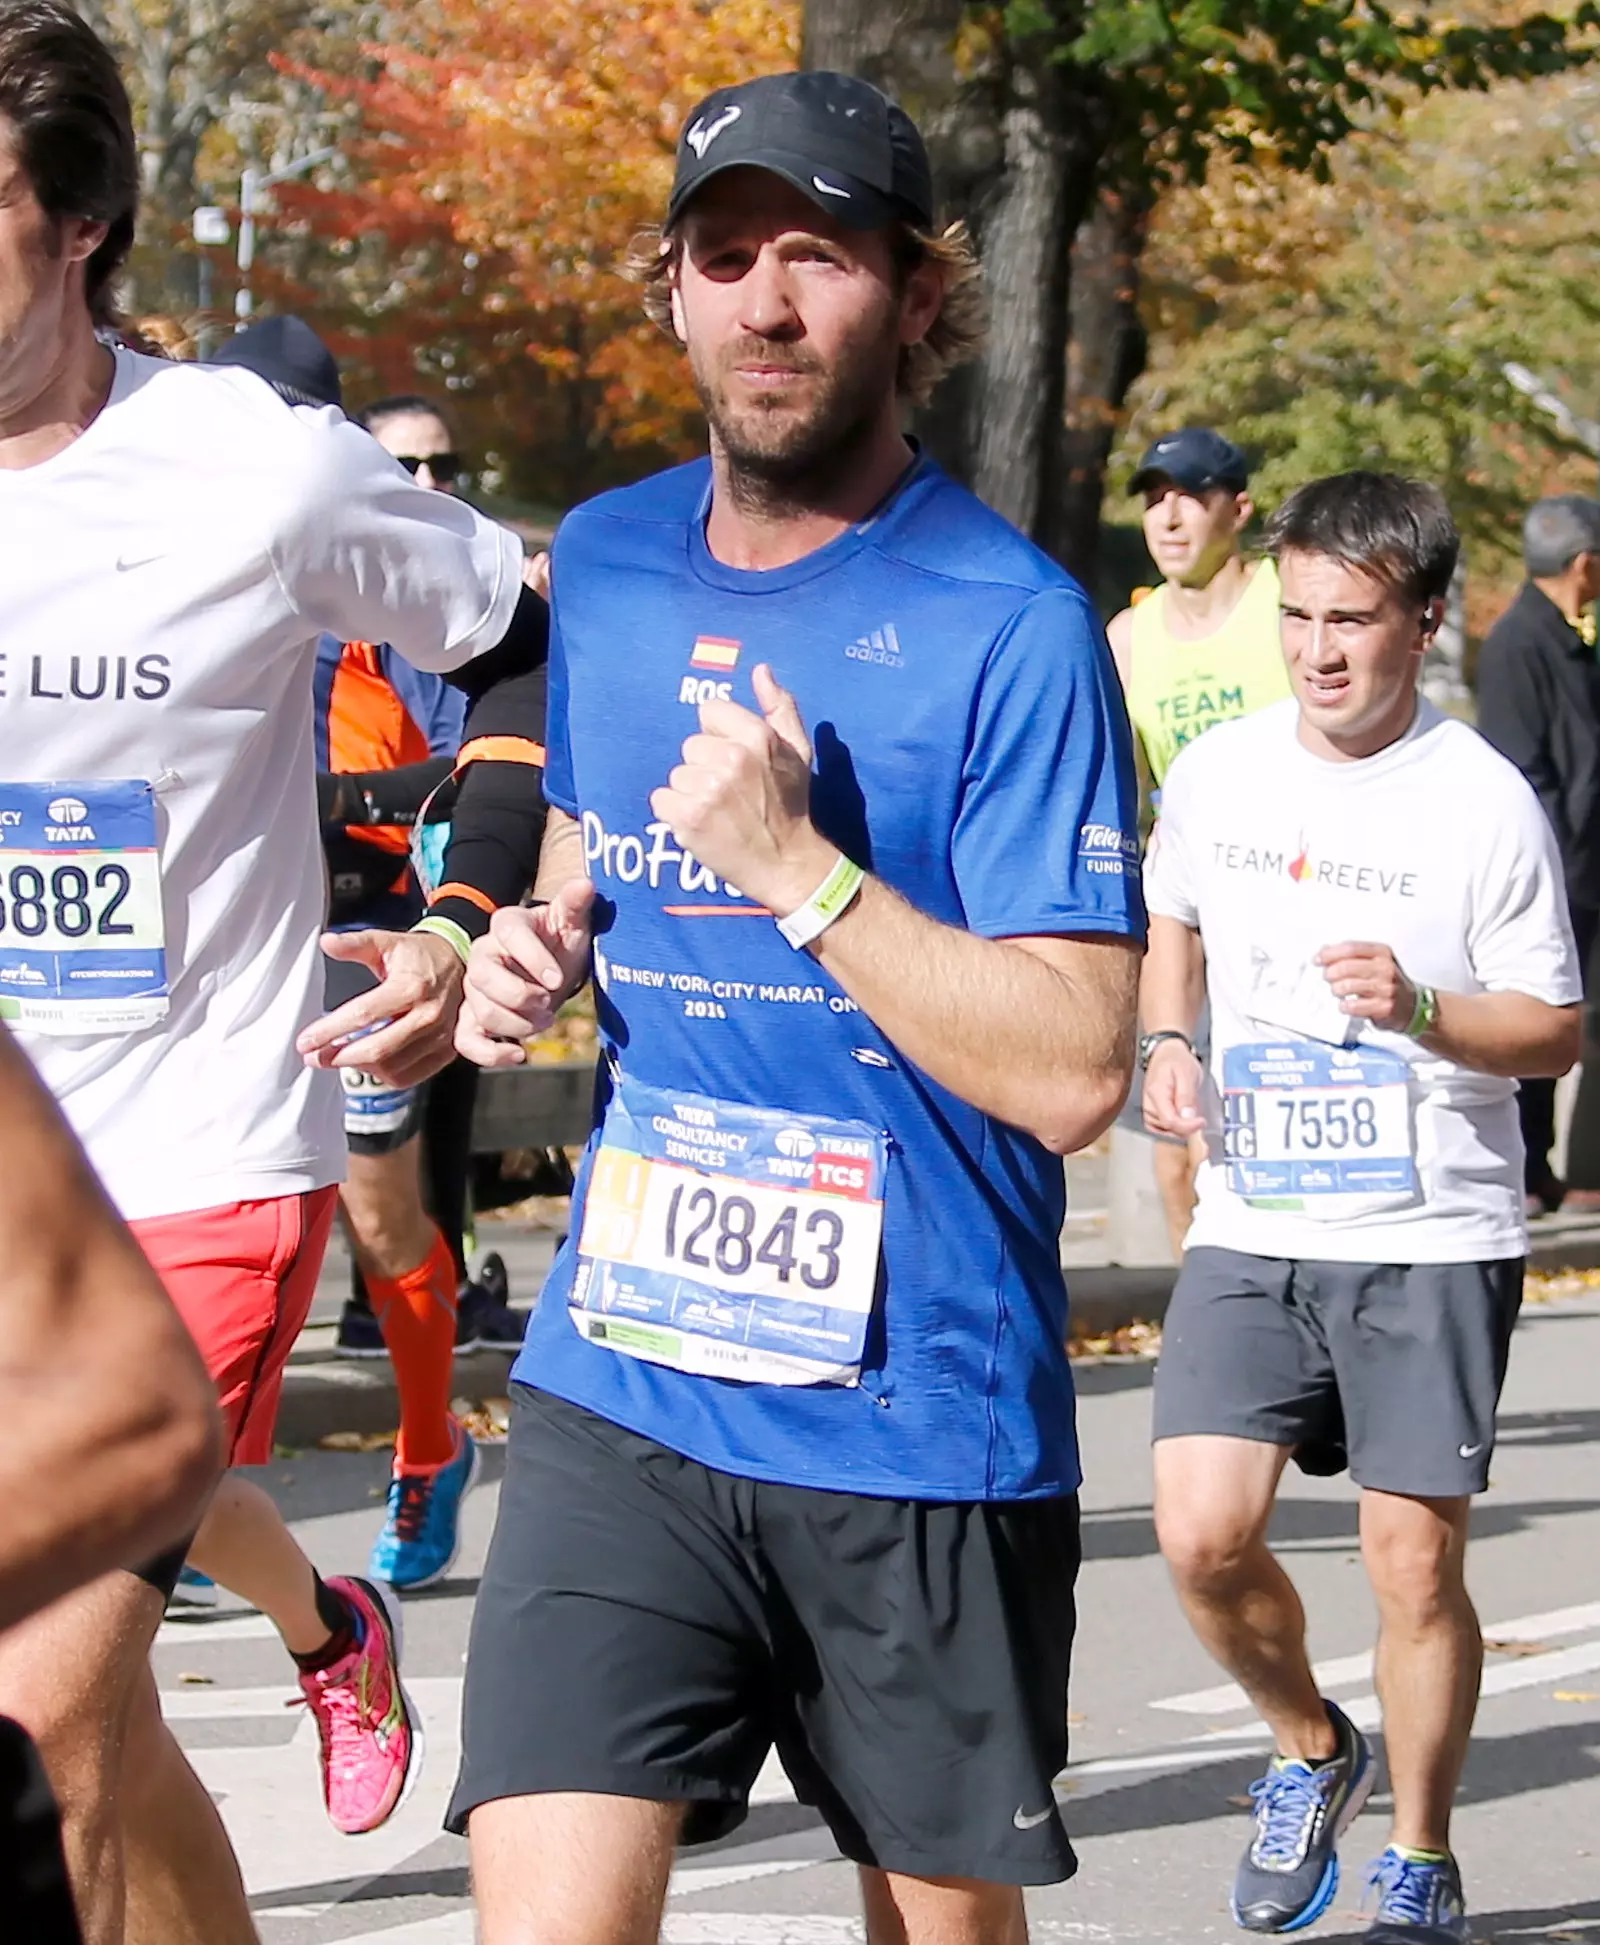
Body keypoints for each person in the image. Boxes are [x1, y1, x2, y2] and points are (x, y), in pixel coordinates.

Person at [448, 69, 1144, 1945]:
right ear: (669, 287)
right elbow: (590, 829)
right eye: (724, 253)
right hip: (628, 1379)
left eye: (819, 256)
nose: (766, 301)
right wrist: (531, 940)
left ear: (917, 299)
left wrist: (802, 872)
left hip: (910, 1418)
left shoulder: (1014, 628)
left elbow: (1078, 1069)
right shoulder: (597, 557)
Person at [0, 6, 547, 1937]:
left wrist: (460, 919)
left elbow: (517, 644)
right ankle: (329, 1627)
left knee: (38, 1708)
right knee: (101, 1730)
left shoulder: (250, 465)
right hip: (4, 1173)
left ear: (76, 224)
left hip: (196, 1150)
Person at [1141, 472, 1581, 1942]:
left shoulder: (1482, 801)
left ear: (1424, 621)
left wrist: (1430, 1005)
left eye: (1356, 621)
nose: (1321, 651)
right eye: (1301, 617)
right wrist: (1164, 1044)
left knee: (1411, 1561)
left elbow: (1555, 1030)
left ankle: (1423, 1854)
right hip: (1258, 1211)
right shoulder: (1224, 774)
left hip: (1432, 1225)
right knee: (1199, 1532)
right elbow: (1175, 915)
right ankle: (1307, 1746)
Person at [0, 1023, 220, 1942]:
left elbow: (144, 1417)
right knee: (116, 1721)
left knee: (57, 1722)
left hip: (204, 1168)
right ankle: (321, 1621)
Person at [336, 389, 531, 1363]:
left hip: (420, 897)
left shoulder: (447, 617)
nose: (428, 487)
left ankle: (423, 1318)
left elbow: (468, 759)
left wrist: (348, 802)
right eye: (404, 467)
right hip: (294, 904)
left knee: (429, 1116)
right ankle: (380, 1314)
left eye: (442, 470)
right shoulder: (320, 599)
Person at [1106, 428, 1292, 1259]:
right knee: (1179, 1147)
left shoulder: (1288, 603)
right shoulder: (1129, 638)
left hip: (1293, 903)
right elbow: (1123, 797)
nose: (1169, 517)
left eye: (1191, 495)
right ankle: (1208, 1304)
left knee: (1259, 1136)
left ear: (1239, 508)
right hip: (1188, 914)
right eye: (1154, 498)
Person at [1475, 494, 1600, 1214]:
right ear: (1584, 564)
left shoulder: (1570, 639)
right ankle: (1530, 1171)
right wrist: (1560, 855)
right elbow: (1528, 769)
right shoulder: (1519, 643)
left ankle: (1561, 1167)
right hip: (1558, 866)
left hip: (1583, 862)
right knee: (1542, 1016)